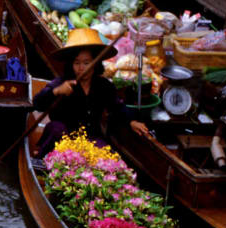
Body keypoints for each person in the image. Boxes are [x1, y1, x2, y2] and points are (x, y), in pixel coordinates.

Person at [33, 28, 149, 158]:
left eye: (86, 63)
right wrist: (56, 91)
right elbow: (37, 103)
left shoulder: (103, 85)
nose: (81, 68)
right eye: (77, 63)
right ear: (71, 64)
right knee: (56, 129)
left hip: (90, 137)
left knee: (107, 155)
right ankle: (41, 158)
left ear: (95, 64)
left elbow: (117, 107)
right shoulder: (62, 83)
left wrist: (131, 121)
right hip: (62, 134)